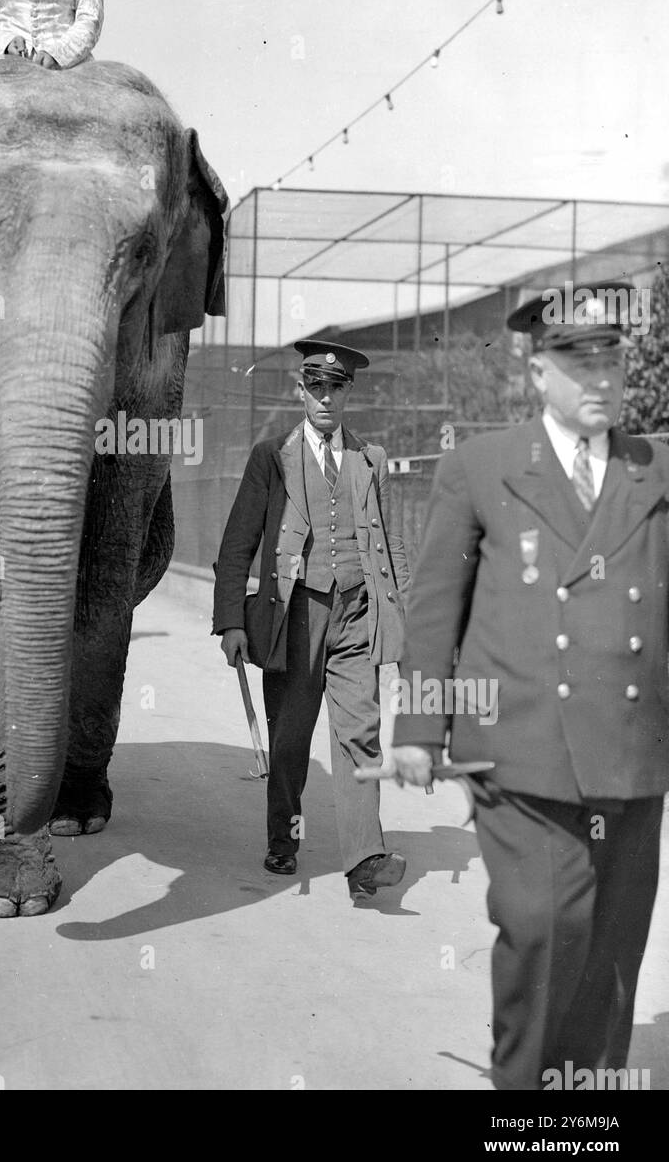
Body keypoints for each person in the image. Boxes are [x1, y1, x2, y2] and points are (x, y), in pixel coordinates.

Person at [392, 284, 669, 1091]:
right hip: (517, 753)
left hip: (631, 755)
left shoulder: (656, 470)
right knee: (544, 928)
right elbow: (435, 606)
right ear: (537, 370)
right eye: (578, 360)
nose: (599, 378)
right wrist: (418, 727)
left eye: (611, 358)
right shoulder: (482, 466)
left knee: (614, 950)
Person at [213, 341, 411, 897]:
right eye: (316, 386)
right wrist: (231, 620)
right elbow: (237, 545)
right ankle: (283, 839)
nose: (325, 397)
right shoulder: (270, 456)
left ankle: (364, 859)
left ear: (349, 393)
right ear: (300, 390)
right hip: (293, 619)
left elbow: (388, 546)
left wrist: (403, 621)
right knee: (292, 739)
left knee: (360, 735)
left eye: (336, 387)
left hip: (356, 616)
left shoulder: (370, 460)